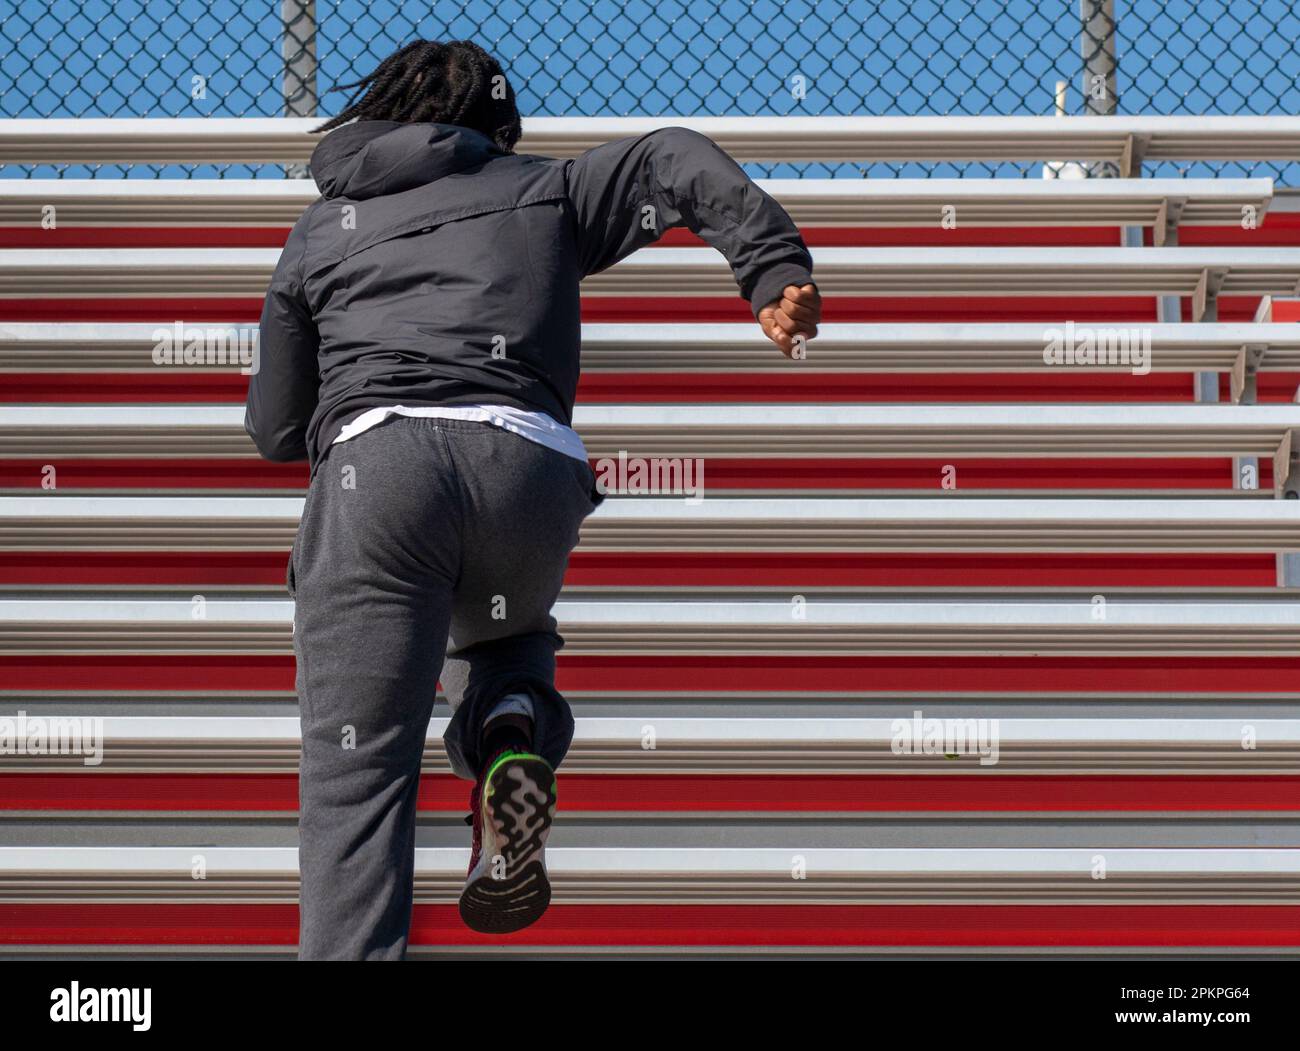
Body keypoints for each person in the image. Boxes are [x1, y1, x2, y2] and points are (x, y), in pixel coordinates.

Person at [246, 38, 822, 960]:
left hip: (379, 473)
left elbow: (274, 428)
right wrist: (769, 265)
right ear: (496, 124)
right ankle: (511, 726)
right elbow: (670, 154)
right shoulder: (543, 190)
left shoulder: (325, 227)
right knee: (505, 635)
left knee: (357, 780)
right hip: (527, 470)